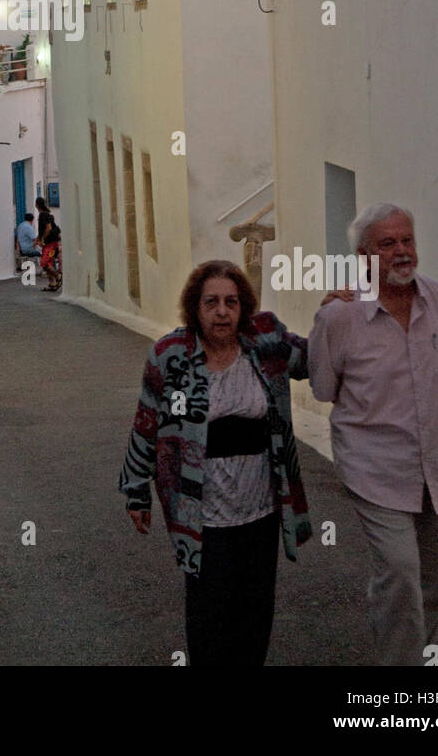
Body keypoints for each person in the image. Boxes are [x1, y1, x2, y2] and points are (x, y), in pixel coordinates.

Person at [308, 204, 438, 667]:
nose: (401, 251)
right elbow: (324, 389)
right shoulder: (338, 319)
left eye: (407, 240)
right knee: (401, 572)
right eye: (387, 244)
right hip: (376, 469)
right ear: (363, 256)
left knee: (434, 585)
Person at [120, 259, 311, 667]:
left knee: (255, 610)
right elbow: (146, 421)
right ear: (195, 307)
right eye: (211, 302)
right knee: (210, 614)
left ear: (243, 308)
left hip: (260, 507)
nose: (222, 311)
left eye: (231, 302)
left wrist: (338, 309)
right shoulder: (170, 355)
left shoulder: (265, 343)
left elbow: (315, 358)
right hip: (200, 511)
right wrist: (137, 491)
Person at [40, 217, 62, 290]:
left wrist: (42, 239)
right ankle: (52, 283)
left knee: (45, 263)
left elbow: (58, 239)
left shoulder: (51, 229)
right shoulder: (55, 228)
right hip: (50, 248)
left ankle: (58, 276)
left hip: (51, 247)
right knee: (48, 264)